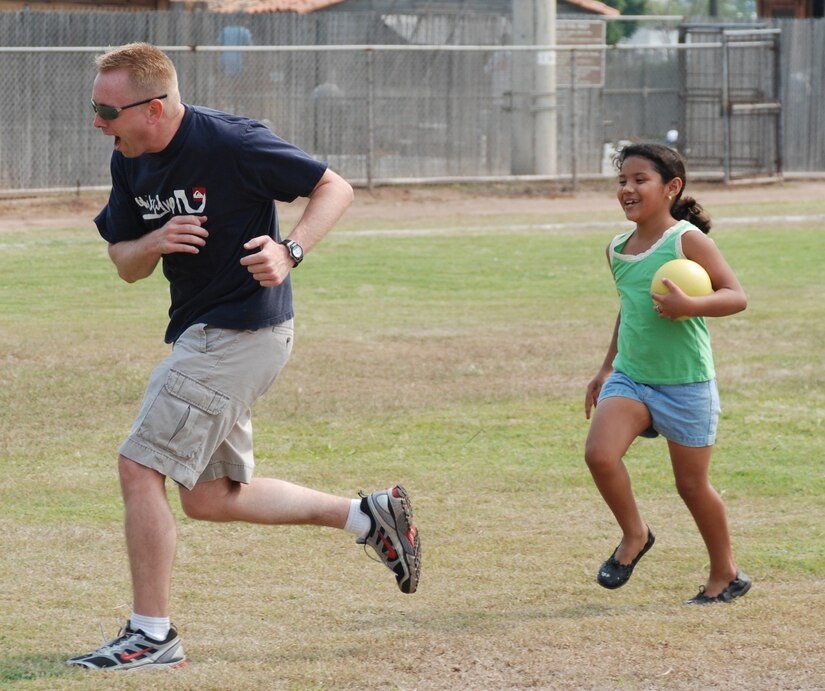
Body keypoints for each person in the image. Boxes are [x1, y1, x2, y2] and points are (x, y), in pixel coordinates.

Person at [68, 42, 420, 671]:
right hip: (207, 334)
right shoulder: (129, 157)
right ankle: (367, 517)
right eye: (94, 108)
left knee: (139, 466)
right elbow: (125, 263)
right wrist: (156, 240)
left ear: (153, 108)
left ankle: (152, 636)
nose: (97, 121)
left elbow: (333, 187)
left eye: (107, 110)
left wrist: (291, 250)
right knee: (210, 497)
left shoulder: (231, 142)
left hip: (238, 333)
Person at [583, 142, 751, 605]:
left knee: (691, 486)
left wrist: (690, 305)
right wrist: (606, 367)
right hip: (632, 376)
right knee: (600, 455)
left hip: (685, 383)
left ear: (671, 187)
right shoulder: (617, 248)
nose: (628, 189)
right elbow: (630, 309)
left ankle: (726, 574)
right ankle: (635, 534)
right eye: (622, 180)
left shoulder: (687, 241)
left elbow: (735, 296)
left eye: (640, 180)